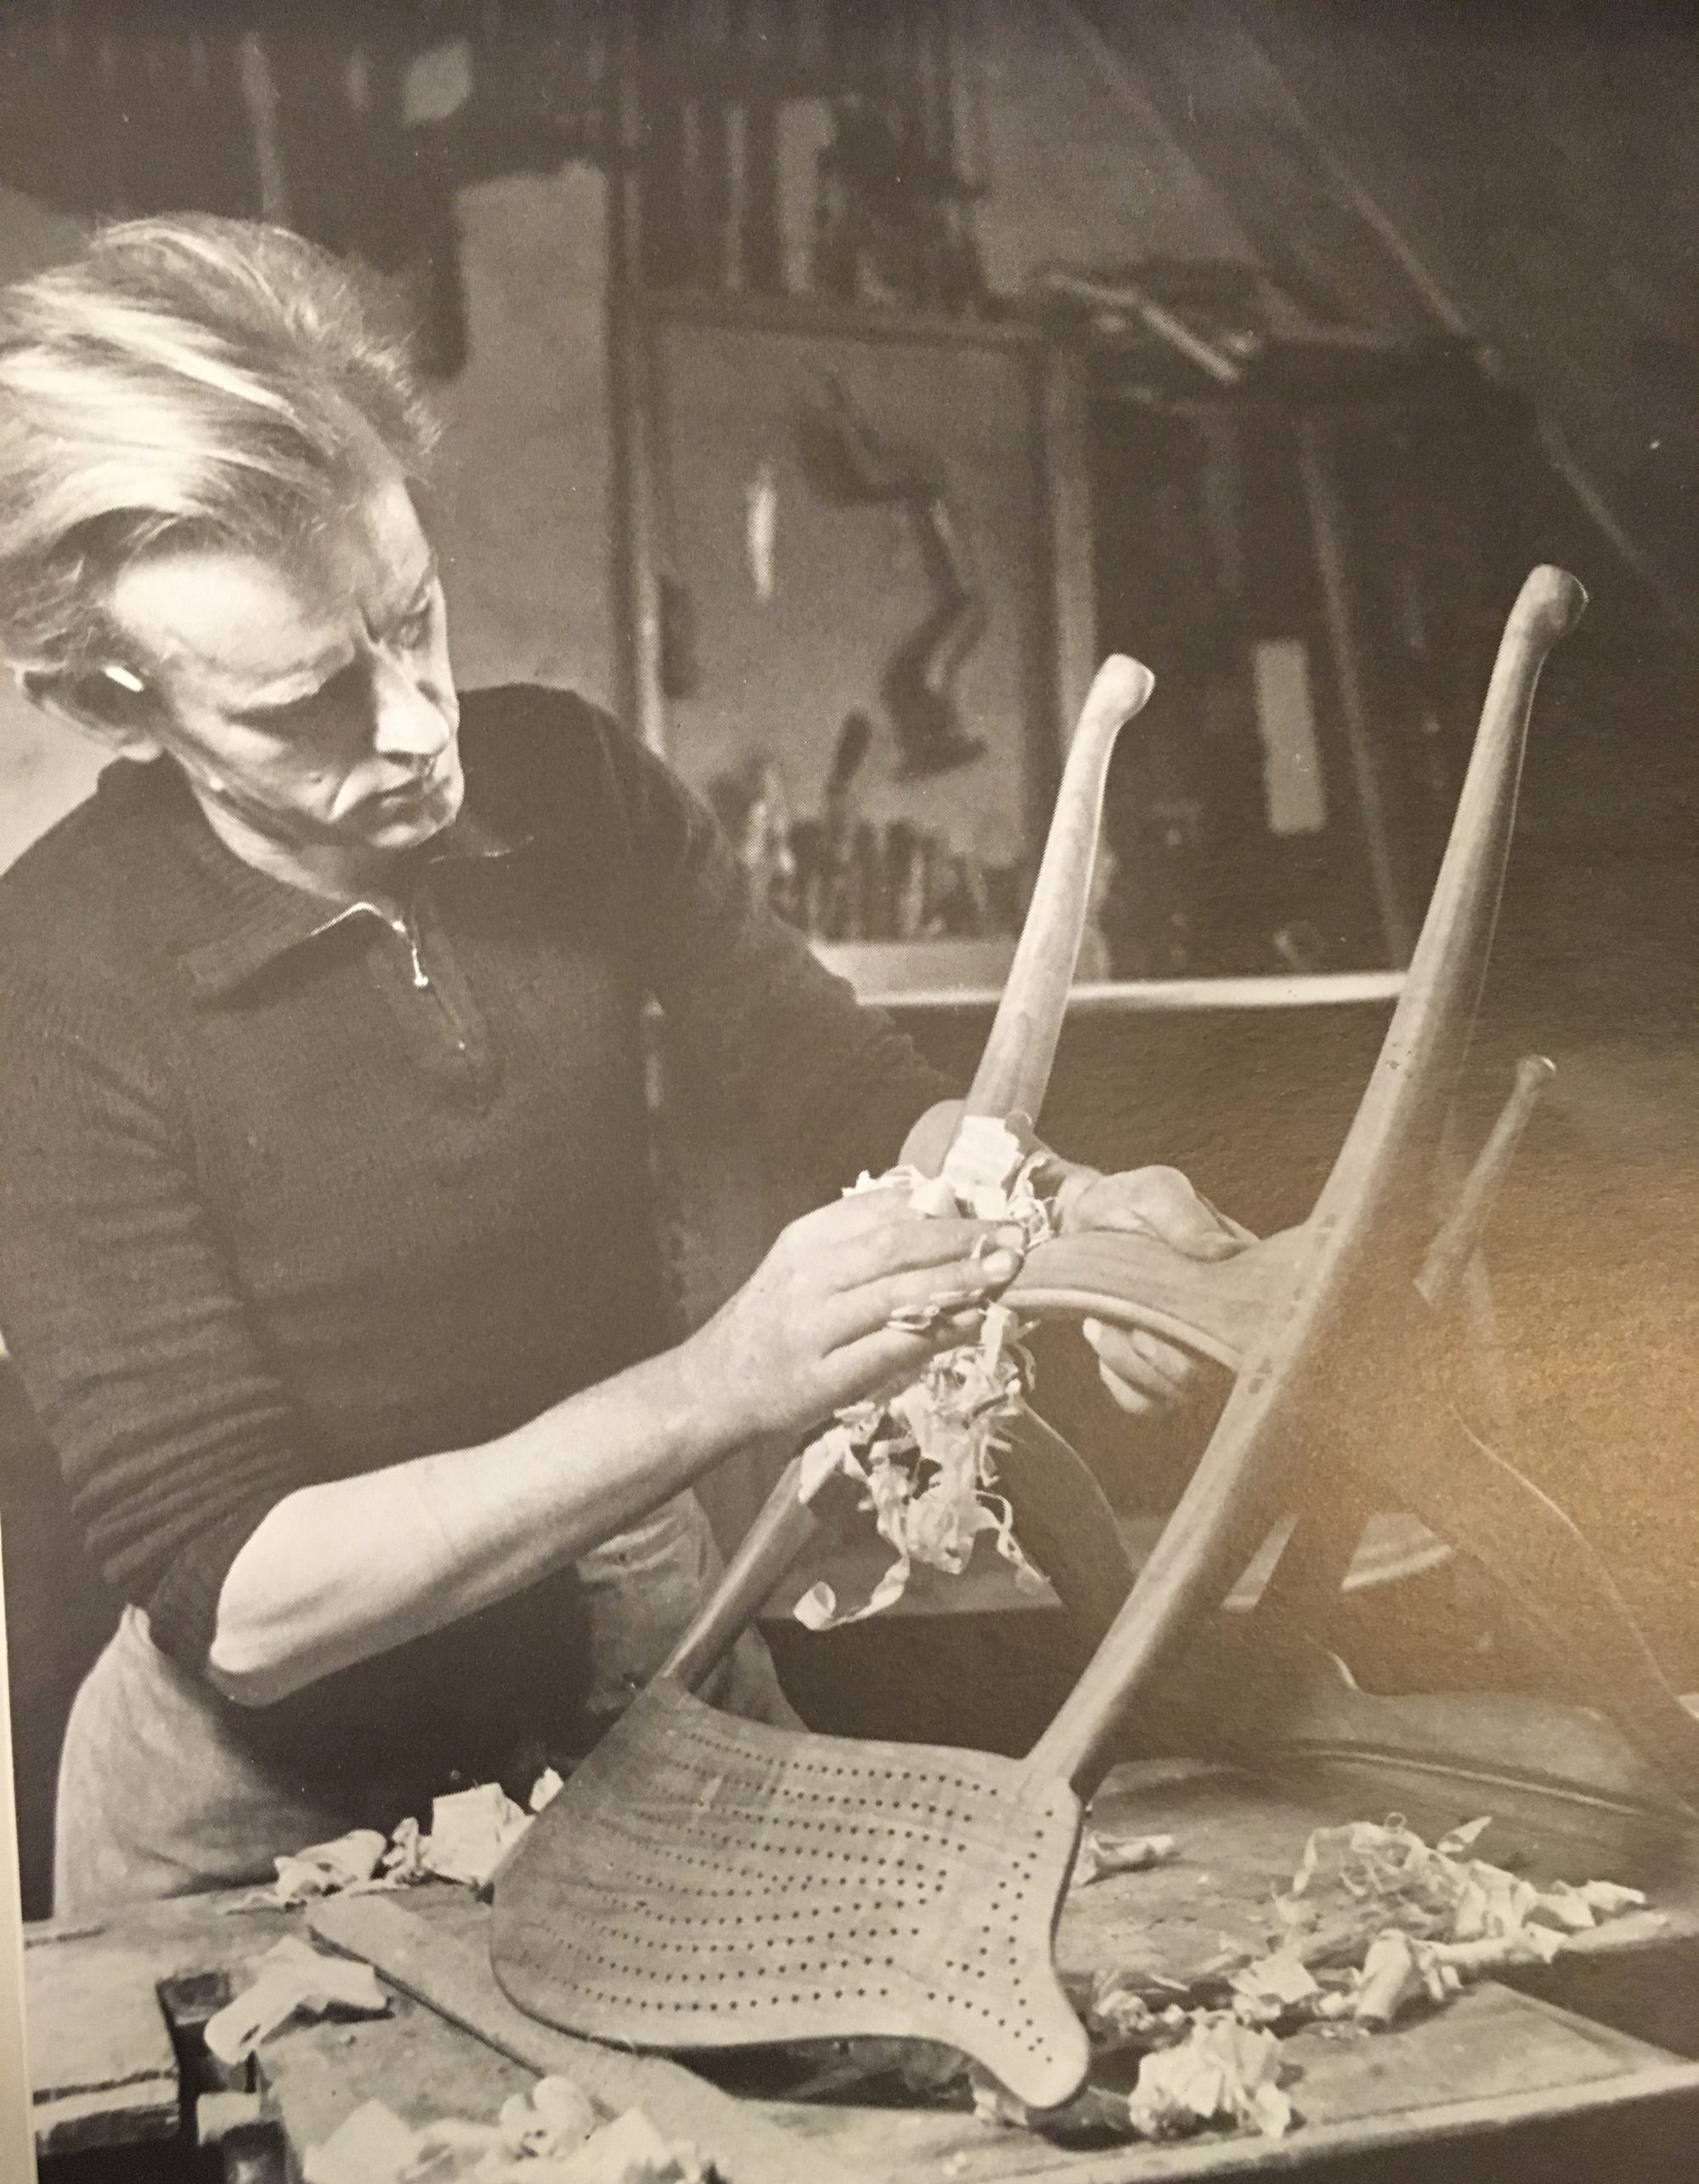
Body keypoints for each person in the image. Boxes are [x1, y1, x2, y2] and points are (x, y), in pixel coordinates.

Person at [0, 217, 1240, 1912]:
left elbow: (850, 1089)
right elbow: (251, 1598)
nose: (420, 725)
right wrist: (721, 1383)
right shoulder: (50, 975)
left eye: (412, 620)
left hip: (644, 1680)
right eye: (304, 708)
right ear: (111, 692)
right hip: (260, 1815)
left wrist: (1077, 1226)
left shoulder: (570, 782)